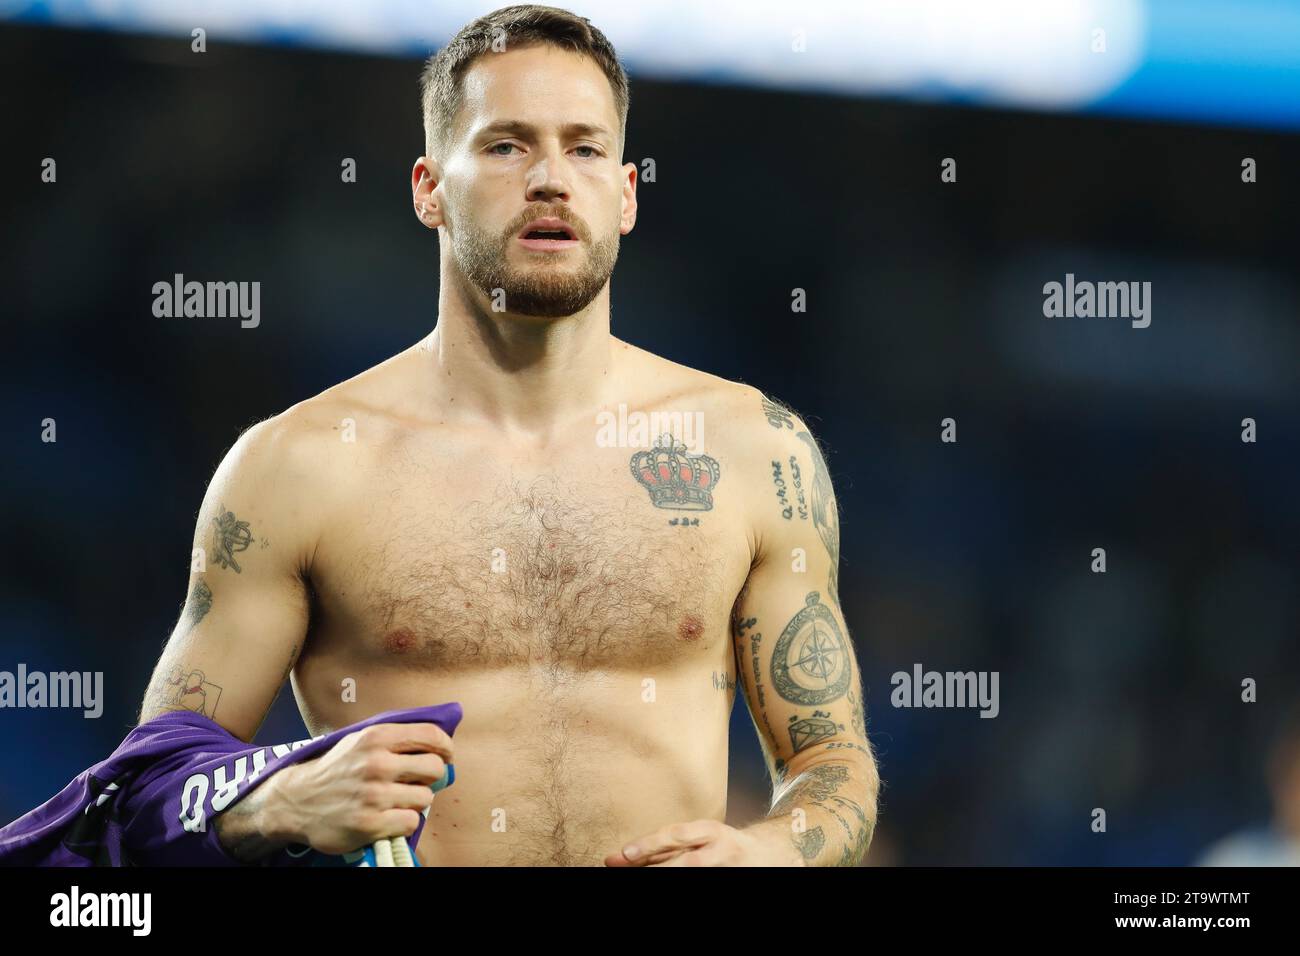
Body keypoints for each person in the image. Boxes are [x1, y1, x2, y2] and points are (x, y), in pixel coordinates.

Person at [139, 3, 878, 867]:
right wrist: (278, 797)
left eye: (585, 148)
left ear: (628, 193)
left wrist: (772, 856)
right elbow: (153, 785)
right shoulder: (297, 468)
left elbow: (833, 764)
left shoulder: (756, 450)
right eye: (506, 145)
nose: (551, 179)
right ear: (428, 188)